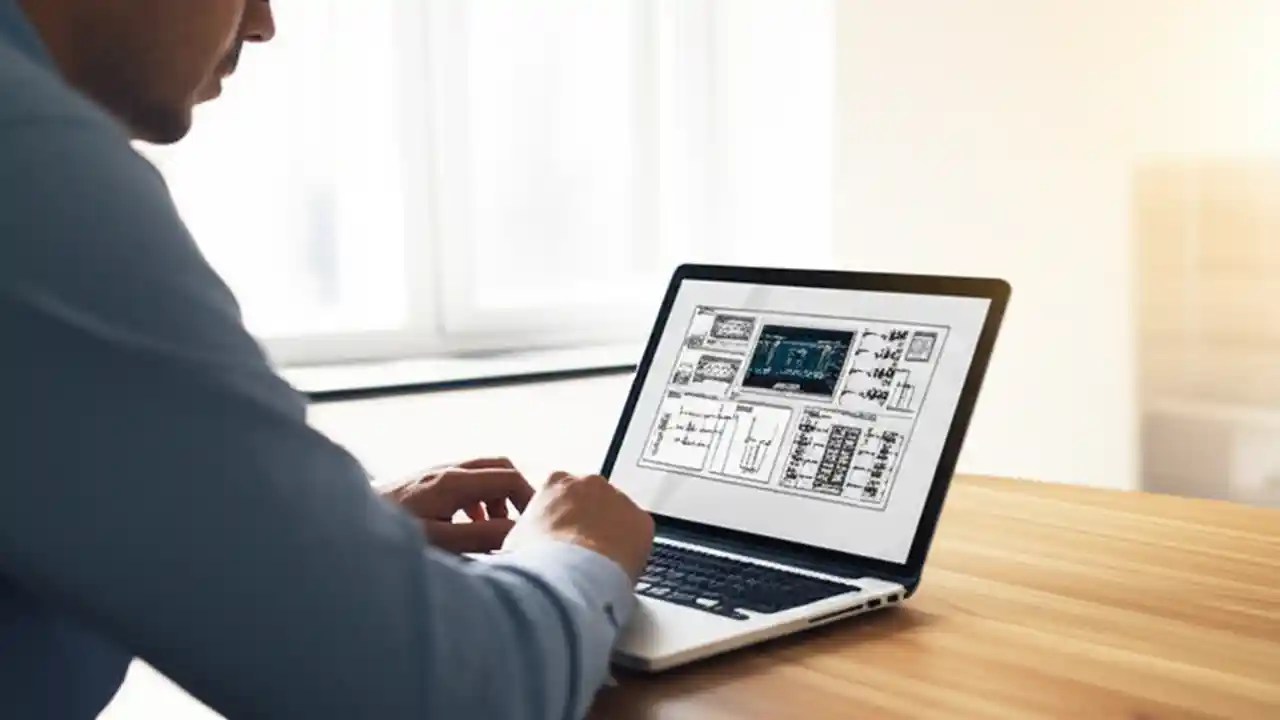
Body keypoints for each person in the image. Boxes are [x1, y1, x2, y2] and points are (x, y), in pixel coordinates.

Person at [0, 1, 655, 717]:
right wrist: (578, 549)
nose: (260, 22)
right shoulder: (30, 166)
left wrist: (301, 543)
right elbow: (454, 698)